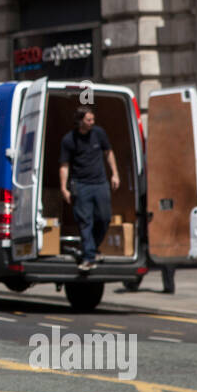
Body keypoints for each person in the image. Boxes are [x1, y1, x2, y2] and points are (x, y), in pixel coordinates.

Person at [58, 106, 119, 272]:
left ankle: (91, 247)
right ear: (80, 121)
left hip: (100, 183)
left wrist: (115, 173)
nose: (92, 122)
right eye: (88, 120)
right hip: (80, 185)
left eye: (93, 119)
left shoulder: (99, 133)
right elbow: (64, 165)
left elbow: (109, 153)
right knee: (85, 222)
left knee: (104, 218)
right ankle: (89, 257)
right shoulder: (69, 140)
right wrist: (64, 188)